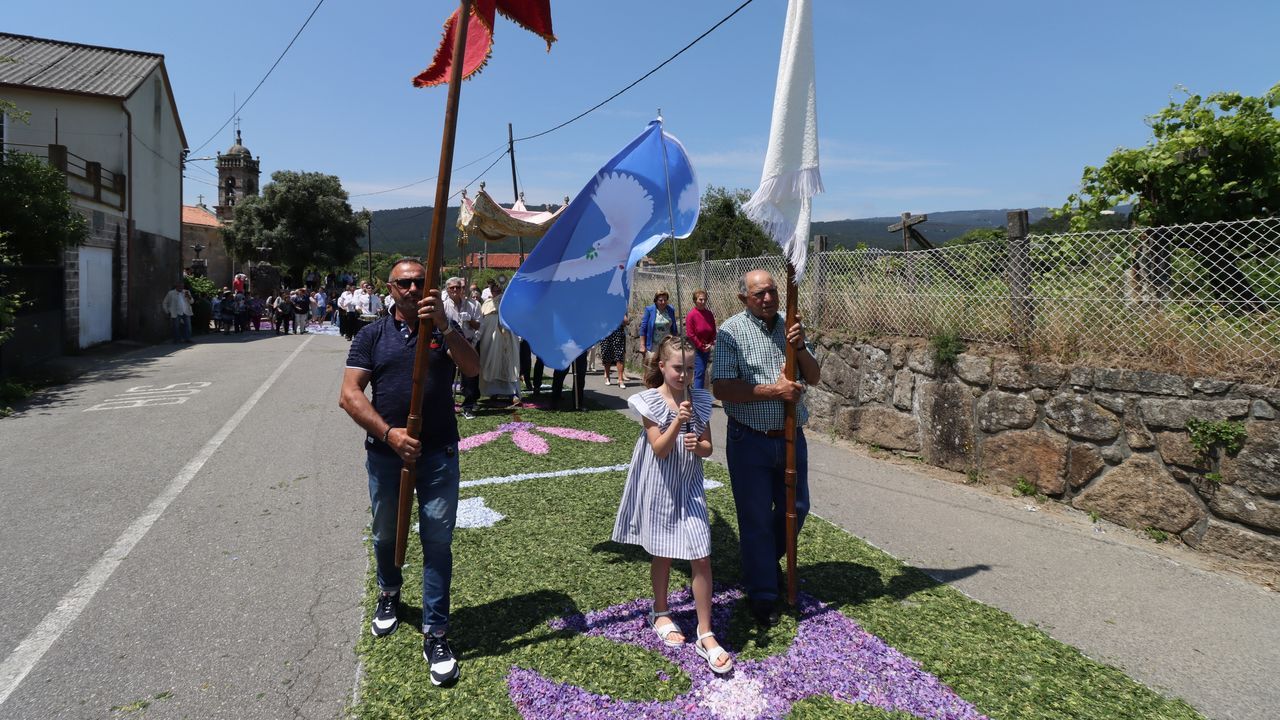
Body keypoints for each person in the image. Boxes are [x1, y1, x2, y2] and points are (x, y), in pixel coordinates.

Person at [338, 258, 480, 686]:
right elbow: (349, 396)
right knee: (385, 532)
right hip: (387, 457)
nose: (413, 288)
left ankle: (435, 632)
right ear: (390, 288)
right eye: (404, 283)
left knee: (437, 540)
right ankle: (389, 592)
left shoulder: (442, 330)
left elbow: (473, 369)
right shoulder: (372, 335)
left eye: (420, 281)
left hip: (439, 455)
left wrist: (445, 325)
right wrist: (389, 434)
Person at [611, 335, 730, 674]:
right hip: (661, 484)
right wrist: (679, 421)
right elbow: (659, 448)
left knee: (701, 553)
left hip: (689, 485)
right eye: (678, 368)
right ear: (662, 366)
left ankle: (705, 632)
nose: (684, 375)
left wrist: (698, 444)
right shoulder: (650, 401)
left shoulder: (701, 399)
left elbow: (707, 448)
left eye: (691, 369)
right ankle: (661, 611)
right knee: (662, 550)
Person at [711, 269, 819, 626]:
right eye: (759, 294)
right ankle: (763, 593)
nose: (769, 298)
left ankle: (763, 563)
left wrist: (800, 346)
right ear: (744, 298)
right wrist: (774, 391)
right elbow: (723, 388)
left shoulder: (792, 327)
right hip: (749, 439)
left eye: (772, 291)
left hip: (790, 436)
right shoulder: (730, 332)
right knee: (755, 516)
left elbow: (814, 376)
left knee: (798, 506)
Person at [443, 276, 481, 418]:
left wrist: (469, 320)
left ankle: (468, 405)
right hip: (449, 344)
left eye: (457, 287)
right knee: (447, 374)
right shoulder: (443, 306)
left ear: (461, 289)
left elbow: (478, 325)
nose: (454, 290)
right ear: (447, 290)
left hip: (468, 342)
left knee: (470, 375)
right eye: (451, 287)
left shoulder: (473, 305)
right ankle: (446, 404)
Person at [477, 280, 521, 405]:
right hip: (490, 340)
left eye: (498, 289)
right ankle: (493, 392)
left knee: (509, 364)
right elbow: (481, 321)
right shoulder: (486, 303)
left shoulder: (509, 302)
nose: (496, 291)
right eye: (493, 289)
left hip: (507, 339)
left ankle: (512, 394)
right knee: (491, 363)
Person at [686, 290, 717, 390]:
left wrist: (710, 343)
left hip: (707, 348)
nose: (703, 301)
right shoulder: (691, 315)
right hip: (696, 349)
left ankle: (701, 396)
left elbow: (713, 331)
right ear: (695, 300)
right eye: (700, 299)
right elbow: (690, 334)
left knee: (704, 372)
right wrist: (700, 346)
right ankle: (697, 398)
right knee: (699, 373)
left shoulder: (709, 314)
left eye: (705, 299)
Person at [638, 290, 676, 361]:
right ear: (656, 300)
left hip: (667, 344)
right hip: (653, 344)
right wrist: (642, 345)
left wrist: (675, 341)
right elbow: (643, 328)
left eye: (665, 300)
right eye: (661, 300)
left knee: (666, 365)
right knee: (651, 366)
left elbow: (674, 327)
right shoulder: (649, 310)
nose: (663, 302)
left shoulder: (670, 310)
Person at [599, 314, 630, 388]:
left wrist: (624, 318)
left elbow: (626, 321)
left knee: (619, 356)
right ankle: (607, 377)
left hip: (618, 333)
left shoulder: (621, 306)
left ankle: (620, 379)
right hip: (606, 333)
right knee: (607, 354)